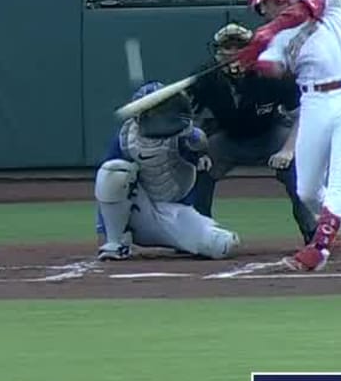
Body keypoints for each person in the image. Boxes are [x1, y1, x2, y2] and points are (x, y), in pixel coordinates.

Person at [231, 0, 341, 272]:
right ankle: (330, 227)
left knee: (340, 175)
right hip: (314, 103)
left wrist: (266, 33)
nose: (263, 11)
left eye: (265, 3)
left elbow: (304, 11)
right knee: (306, 190)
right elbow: (275, 67)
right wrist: (251, 61)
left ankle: (318, 250)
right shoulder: (278, 39)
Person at [186, 22, 318, 246]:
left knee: (298, 167)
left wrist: (287, 150)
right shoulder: (205, 78)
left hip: (270, 134)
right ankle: (202, 234)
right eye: (226, 48)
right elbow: (189, 119)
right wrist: (199, 153)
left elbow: (303, 114)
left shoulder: (272, 75)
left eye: (239, 47)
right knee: (198, 169)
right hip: (228, 137)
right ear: (216, 51)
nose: (232, 53)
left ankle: (313, 233)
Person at [93, 81, 242, 262]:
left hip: (174, 213)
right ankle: (116, 243)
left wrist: (192, 136)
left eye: (165, 110)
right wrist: (104, 229)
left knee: (223, 245)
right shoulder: (125, 138)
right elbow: (108, 183)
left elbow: (199, 145)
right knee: (114, 170)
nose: (162, 116)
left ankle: (180, 240)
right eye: (156, 111)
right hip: (137, 213)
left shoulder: (183, 136)